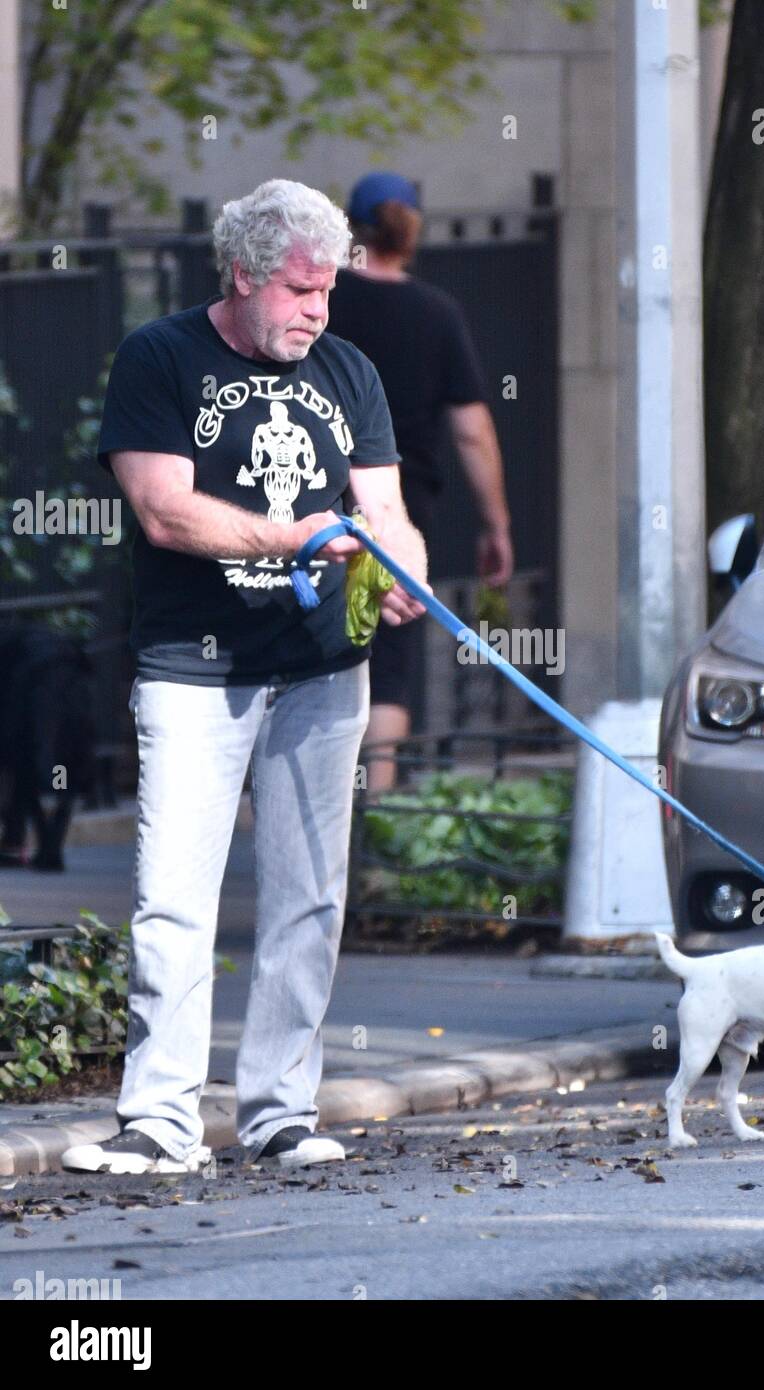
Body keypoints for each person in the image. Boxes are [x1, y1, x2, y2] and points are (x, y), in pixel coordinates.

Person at [60, 178, 429, 1175]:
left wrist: (404, 568)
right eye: (298, 289)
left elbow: (386, 511)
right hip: (194, 667)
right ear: (243, 272)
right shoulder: (163, 356)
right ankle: (162, 1120)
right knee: (175, 897)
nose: (316, 309)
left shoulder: (349, 371)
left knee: (309, 897)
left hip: (320, 671)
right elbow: (165, 511)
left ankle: (281, 1110)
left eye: (327, 292)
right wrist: (299, 539)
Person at [327, 171, 514, 790]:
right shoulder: (436, 313)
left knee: (309, 633)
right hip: (403, 506)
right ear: (411, 233)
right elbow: (471, 432)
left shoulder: (325, 301)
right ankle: (373, 804)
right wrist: (497, 524)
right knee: (390, 650)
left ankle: (303, 794)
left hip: (316, 498)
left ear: (352, 228)